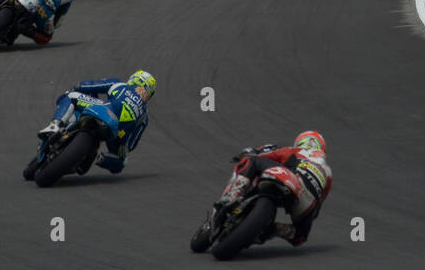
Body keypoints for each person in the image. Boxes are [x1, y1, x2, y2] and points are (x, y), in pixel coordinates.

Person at [191, 131, 333, 250]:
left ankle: (231, 196)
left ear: (300, 142)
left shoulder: (297, 150)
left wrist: (247, 153)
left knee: (251, 161)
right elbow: (318, 205)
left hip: (292, 179)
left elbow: (265, 155)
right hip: (307, 202)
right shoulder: (328, 172)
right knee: (299, 237)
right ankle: (268, 230)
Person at [27, 69, 156, 178]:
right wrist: (121, 142)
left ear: (134, 79)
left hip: (103, 108)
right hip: (115, 133)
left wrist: (73, 90)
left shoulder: (120, 85)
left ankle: (56, 124)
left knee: (71, 96)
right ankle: (98, 158)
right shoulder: (144, 117)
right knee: (121, 163)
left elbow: (86, 85)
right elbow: (132, 144)